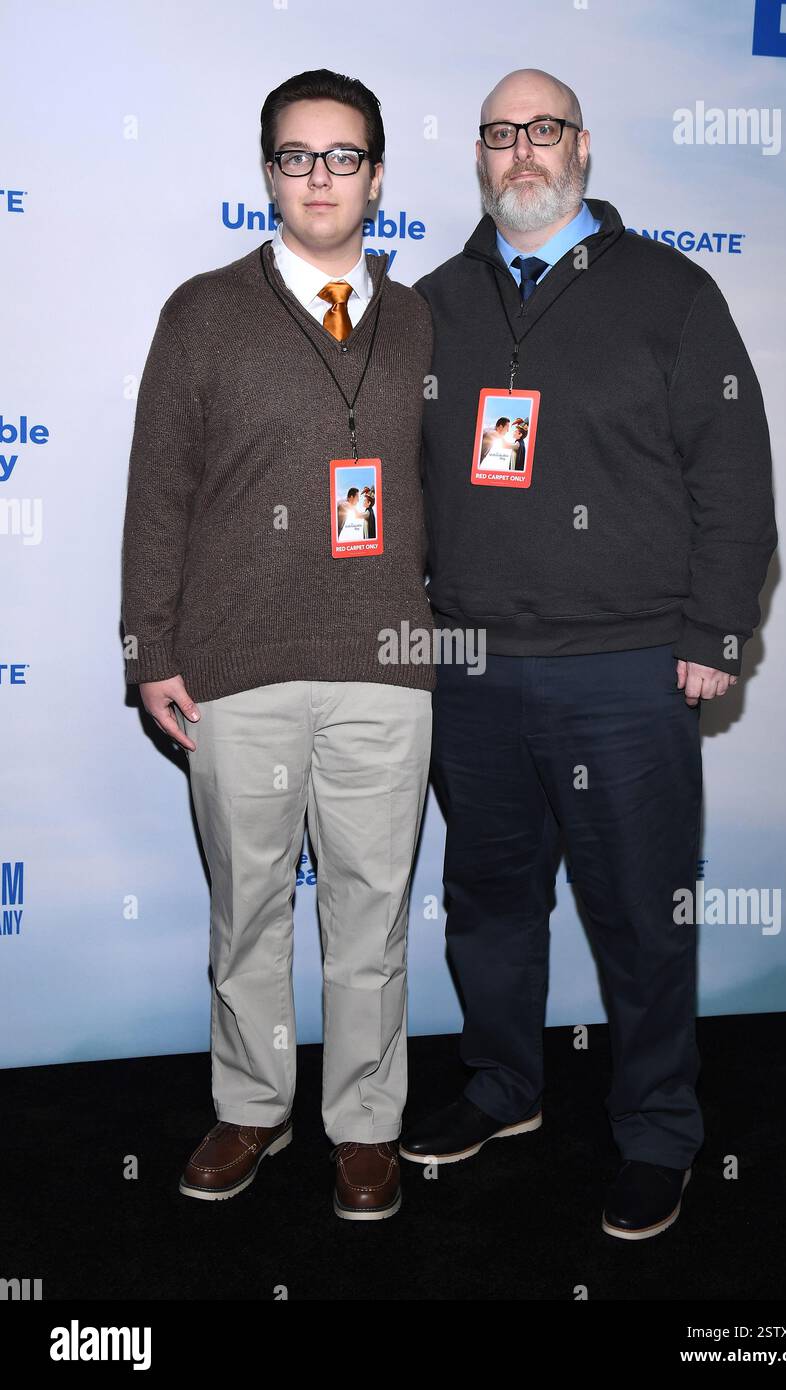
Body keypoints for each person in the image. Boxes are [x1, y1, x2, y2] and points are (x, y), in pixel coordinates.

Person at [401, 67, 777, 1240]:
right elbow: (396, 490)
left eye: (544, 130)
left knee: (639, 917)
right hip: (469, 668)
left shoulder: (671, 292)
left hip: (625, 669)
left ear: (583, 148)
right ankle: (504, 1087)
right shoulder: (429, 303)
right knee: (487, 902)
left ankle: (657, 1129)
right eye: (502, 133)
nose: (523, 152)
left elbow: (734, 474)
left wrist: (716, 629)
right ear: (478, 154)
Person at [121, 67, 435, 1220]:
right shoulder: (201, 311)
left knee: (370, 913)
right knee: (248, 908)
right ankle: (253, 1102)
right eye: (297, 156)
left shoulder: (423, 318)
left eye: (341, 155)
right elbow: (159, 490)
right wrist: (150, 647)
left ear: (376, 176)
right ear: (267, 175)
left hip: (388, 666)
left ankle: (366, 1123)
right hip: (233, 665)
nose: (320, 176)